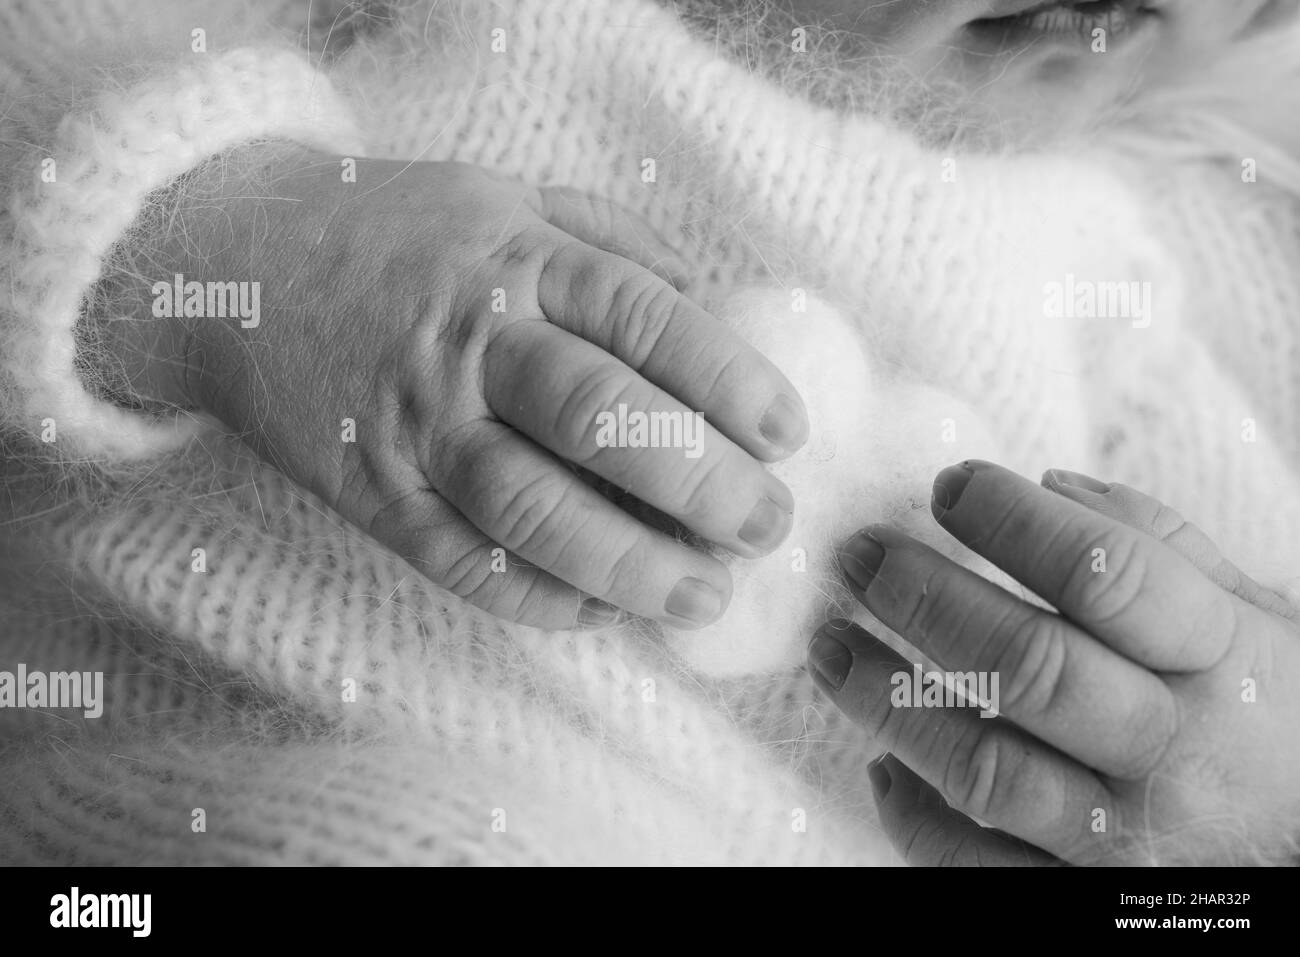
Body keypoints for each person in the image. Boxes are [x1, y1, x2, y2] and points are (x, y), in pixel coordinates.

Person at [1, 0, 1298, 864]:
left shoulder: (1115, 267)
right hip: (277, 732)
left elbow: (1248, 601)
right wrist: (242, 234)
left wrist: (1254, 790)